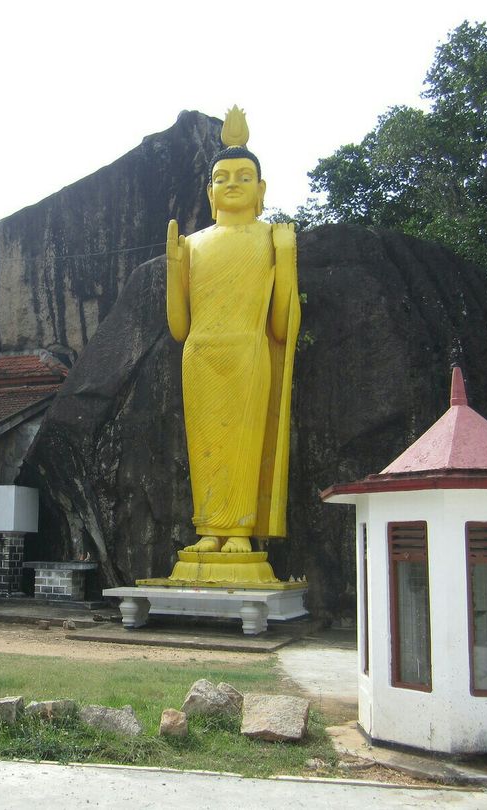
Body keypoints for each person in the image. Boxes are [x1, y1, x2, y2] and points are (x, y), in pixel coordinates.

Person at [166, 106, 300, 554]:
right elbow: (179, 328)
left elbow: (280, 326)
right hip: (200, 355)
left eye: (244, 177)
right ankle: (209, 529)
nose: (233, 184)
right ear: (209, 191)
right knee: (205, 446)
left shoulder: (269, 237)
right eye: (222, 178)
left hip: (248, 353)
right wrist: (173, 267)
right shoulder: (193, 245)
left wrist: (286, 257)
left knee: (243, 442)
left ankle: (239, 532)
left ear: (261, 189)